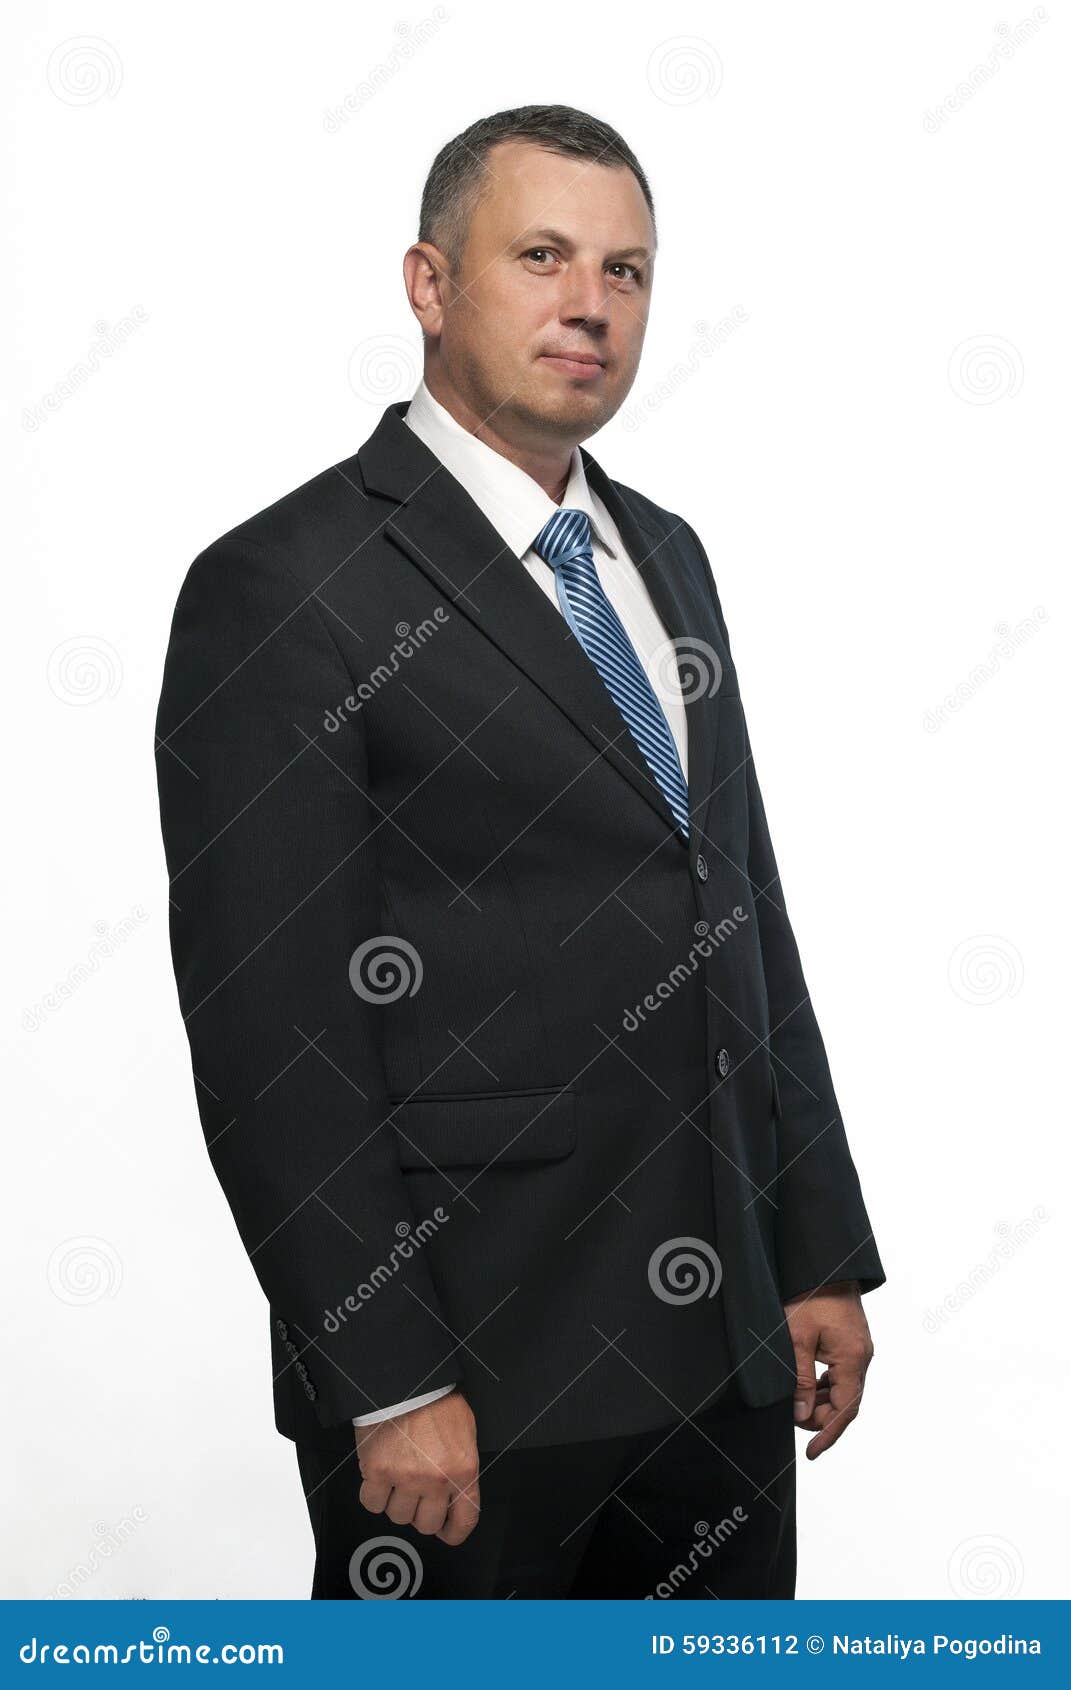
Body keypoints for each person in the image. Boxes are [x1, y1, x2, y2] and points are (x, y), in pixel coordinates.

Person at [155, 104, 883, 1600]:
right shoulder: (284, 587)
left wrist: (815, 1243)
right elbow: (268, 1034)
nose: (589, 304)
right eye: (541, 255)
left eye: (625, 270)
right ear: (429, 284)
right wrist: (384, 1373)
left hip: (722, 1344)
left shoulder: (665, 552)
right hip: (472, 1370)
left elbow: (738, 903)